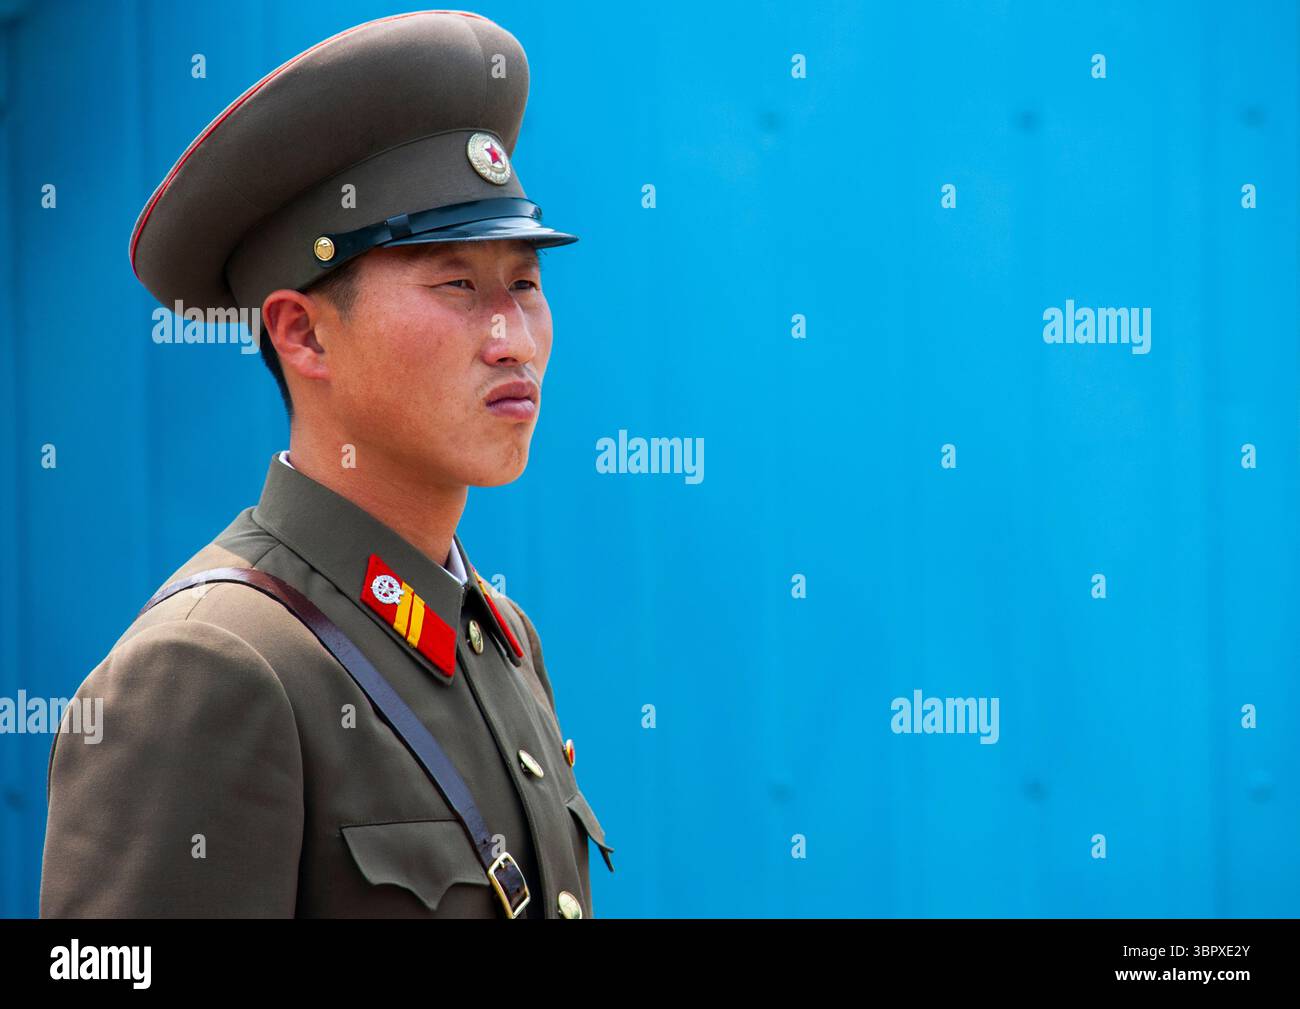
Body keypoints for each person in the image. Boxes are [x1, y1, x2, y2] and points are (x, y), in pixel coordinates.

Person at [39, 9, 613, 919]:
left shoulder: (497, 639)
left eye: (526, 284)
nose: (513, 339)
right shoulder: (215, 667)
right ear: (302, 332)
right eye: (457, 283)